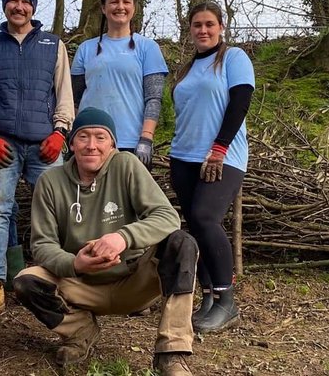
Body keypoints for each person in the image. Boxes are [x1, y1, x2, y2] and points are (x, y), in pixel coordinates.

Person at [14, 108, 196, 376]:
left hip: (134, 281)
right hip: (80, 285)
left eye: (100, 137)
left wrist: (123, 237)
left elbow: (167, 217)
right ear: (71, 143)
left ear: (112, 143)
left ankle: (172, 352)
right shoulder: (50, 182)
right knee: (25, 282)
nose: (91, 146)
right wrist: (75, 263)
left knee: (182, 243)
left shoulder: (126, 165)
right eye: (83, 137)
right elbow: (42, 245)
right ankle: (81, 332)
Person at [0, 0, 75, 321]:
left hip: (45, 145)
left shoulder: (53, 45)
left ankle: (59, 281)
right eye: (13, 1)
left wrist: (60, 133)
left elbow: (65, 95)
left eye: (25, 2)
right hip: (4, 145)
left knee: (58, 211)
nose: (19, 7)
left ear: (33, 8)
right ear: (5, 6)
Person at [168, 2, 254, 333]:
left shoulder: (233, 58)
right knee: (196, 224)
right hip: (184, 156)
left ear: (221, 27)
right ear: (189, 29)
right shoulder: (187, 69)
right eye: (196, 25)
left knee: (206, 217)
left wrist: (219, 148)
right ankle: (207, 297)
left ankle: (226, 302)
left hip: (223, 156)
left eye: (209, 24)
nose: (202, 30)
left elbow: (240, 103)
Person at [71, 0, 168, 169]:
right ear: (103, 7)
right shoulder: (85, 48)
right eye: (114, 2)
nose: (120, 7)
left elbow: (154, 99)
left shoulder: (148, 48)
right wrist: (75, 136)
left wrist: (146, 139)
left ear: (134, 8)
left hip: (130, 142)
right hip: (91, 144)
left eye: (126, 2)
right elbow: (75, 100)